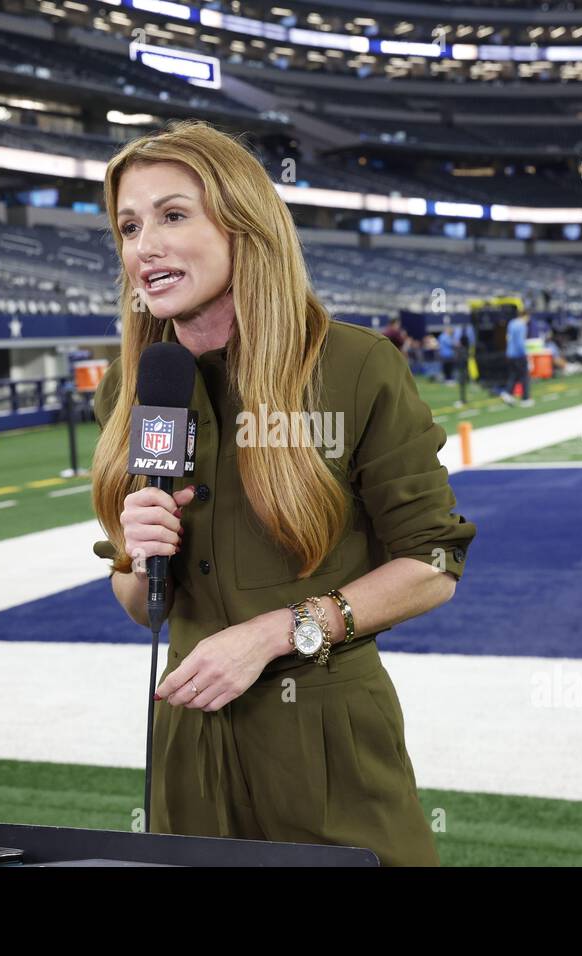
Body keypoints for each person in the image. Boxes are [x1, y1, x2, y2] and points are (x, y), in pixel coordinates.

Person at [89, 120, 476, 866]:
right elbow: (144, 608)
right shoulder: (132, 390)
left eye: (173, 215)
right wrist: (138, 558)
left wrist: (276, 633)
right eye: (129, 226)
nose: (145, 246)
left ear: (246, 224)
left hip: (328, 733)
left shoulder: (356, 366)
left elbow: (433, 564)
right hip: (188, 732)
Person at [500, 311, 533, 407]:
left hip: (510, 353)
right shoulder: (521, 325)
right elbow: (520, 342)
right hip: (519, 354)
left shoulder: (511, 323)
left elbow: (508, 338)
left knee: (513, 375)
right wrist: (525, 354)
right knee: (524, 376)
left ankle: (507, 393)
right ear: (525, 316)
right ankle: (525, 398)